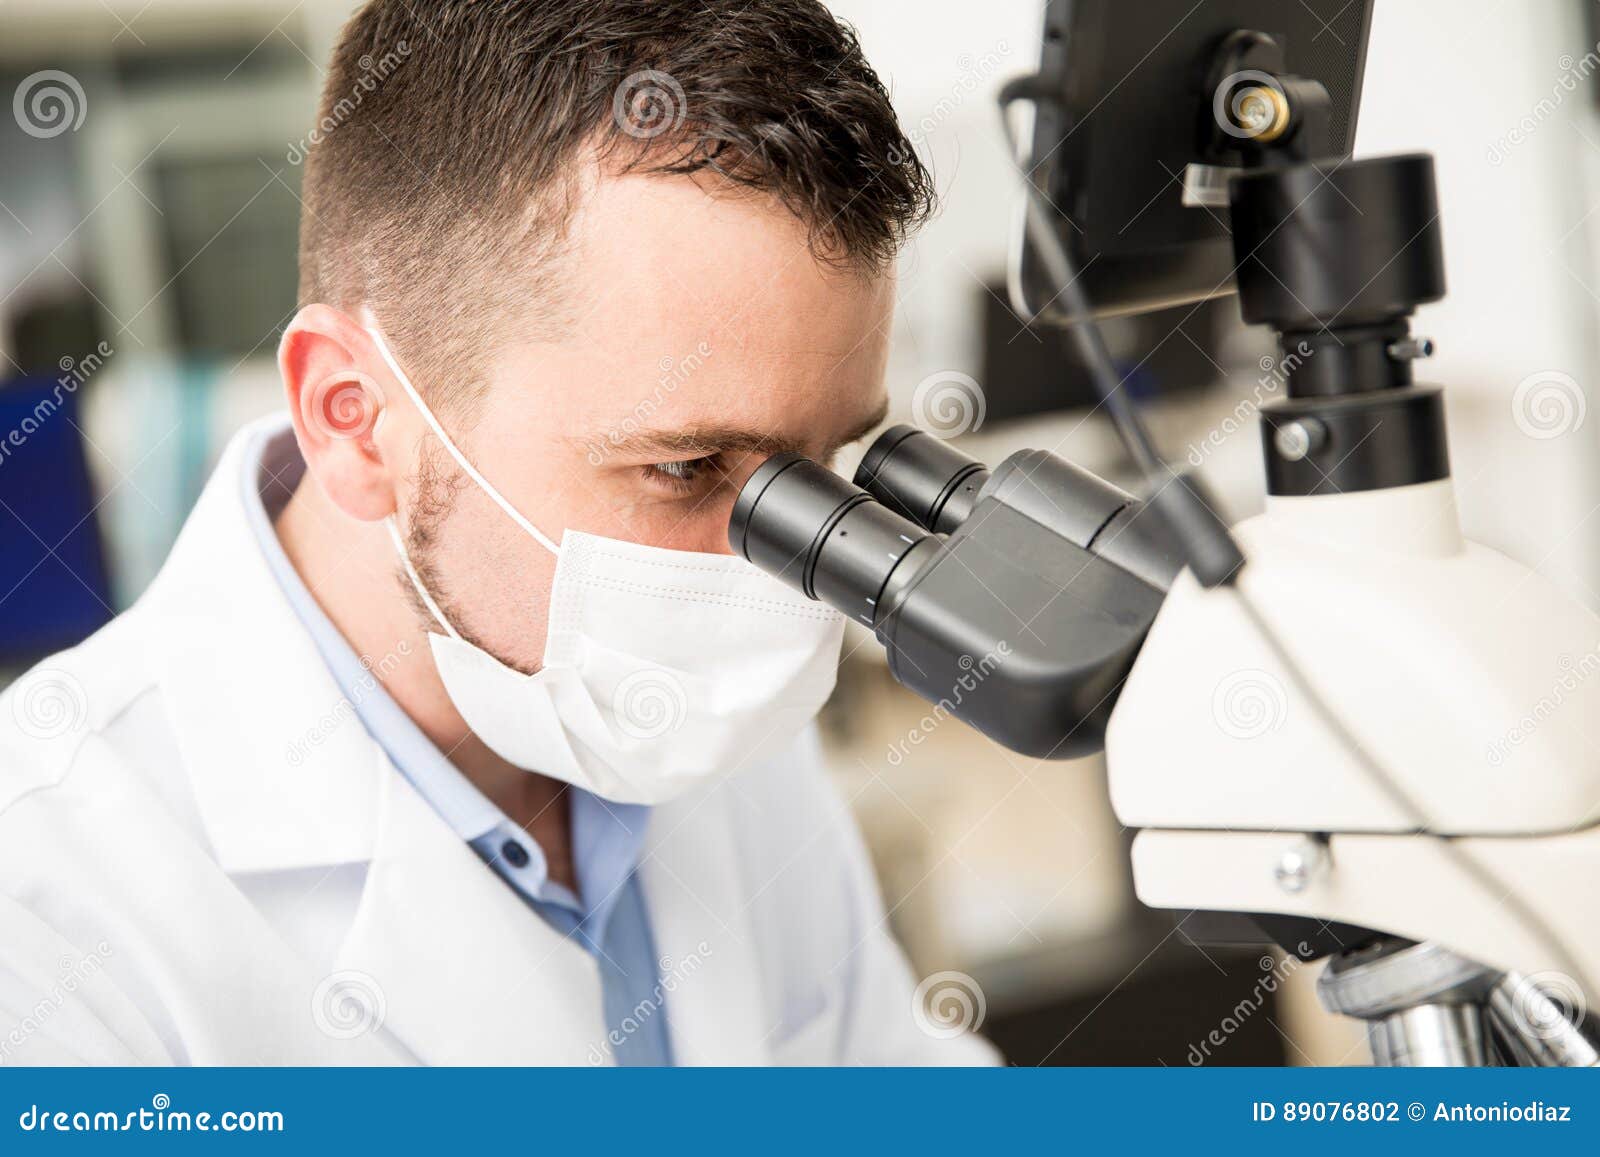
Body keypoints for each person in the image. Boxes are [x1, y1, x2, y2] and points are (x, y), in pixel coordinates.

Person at [0, 0, 998, 1065]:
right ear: (355, 420)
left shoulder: (700, 713)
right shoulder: (49, 913)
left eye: (821, 466)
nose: (776, 585)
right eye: (683, 467)